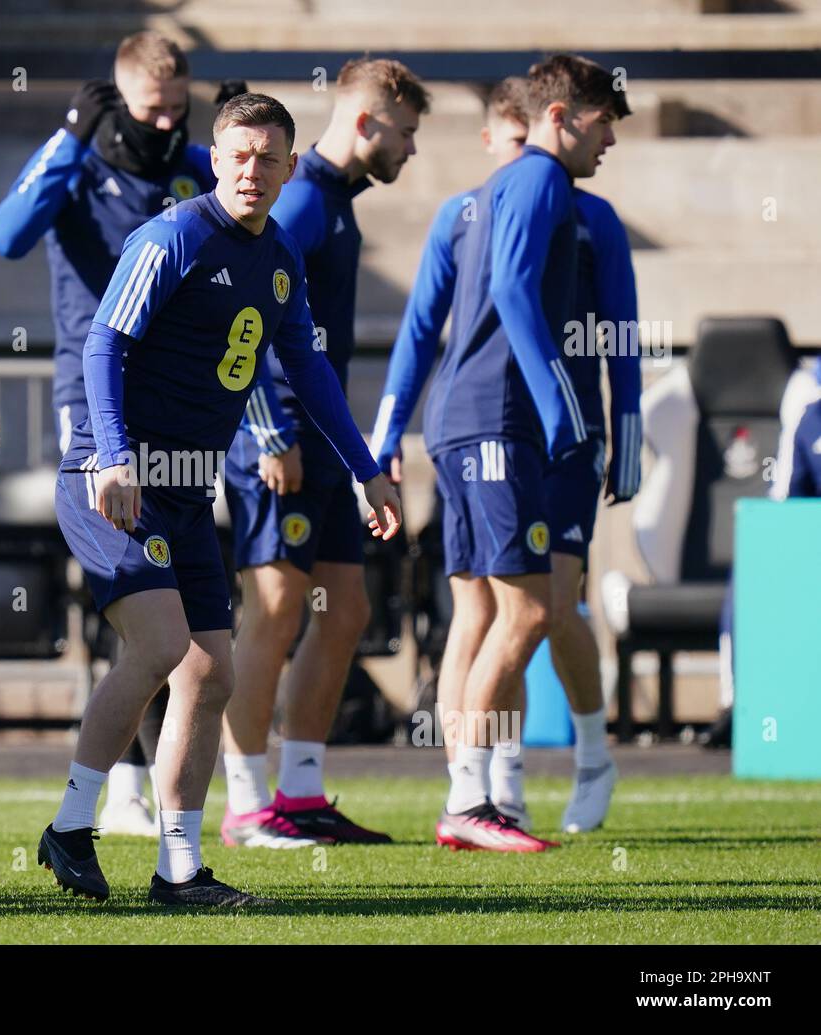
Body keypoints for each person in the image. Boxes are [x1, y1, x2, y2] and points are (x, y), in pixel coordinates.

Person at [40, 93, 402, 906]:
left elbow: (307, 372)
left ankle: (179, 870)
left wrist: (364, 467)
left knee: (211, 676)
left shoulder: (279, 255)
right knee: (163, 645)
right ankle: (69, 823)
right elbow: (105, 342)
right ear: (215, 156)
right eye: (237, 155)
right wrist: (114, 455)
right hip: (114, 481)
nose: (251, 170)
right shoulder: (174, 235)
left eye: (268, 158)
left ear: (289, 166)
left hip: (187, 492)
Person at [372, 73, 639, 836]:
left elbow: (617, 328)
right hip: (508, 424)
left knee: (548, 606)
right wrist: (386, 436)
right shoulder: (477, 206)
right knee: (498, 610)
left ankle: (580, 757)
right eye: (510, 138)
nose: (609, 141)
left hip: (555, 434)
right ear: (497, 135)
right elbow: (424, 326)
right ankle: (483, 787)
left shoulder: (590, 216)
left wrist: (622, 420)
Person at [0, 32, 222, 836]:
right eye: (150, 113)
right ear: (120, 101)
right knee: (125, 587)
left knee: (174, 607)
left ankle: (163, 805)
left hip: (181, 408)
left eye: (177, 110)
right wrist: (66, 137)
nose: (164, 127)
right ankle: (116, 781)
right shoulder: (82, 167)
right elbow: (8, 234)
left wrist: (238, 150)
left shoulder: (194, 167)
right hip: (98, 402)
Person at [219, 57, 428, 849]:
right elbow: (248, 315)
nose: (409, 150)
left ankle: (300, 791)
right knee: (272, 612)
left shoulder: (335, 202)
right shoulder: (303, 200)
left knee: (346, 610)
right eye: (404, 133)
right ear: (367, 122)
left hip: (326, 447)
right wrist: (269, 431)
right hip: (281, 444)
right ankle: (245, 805)